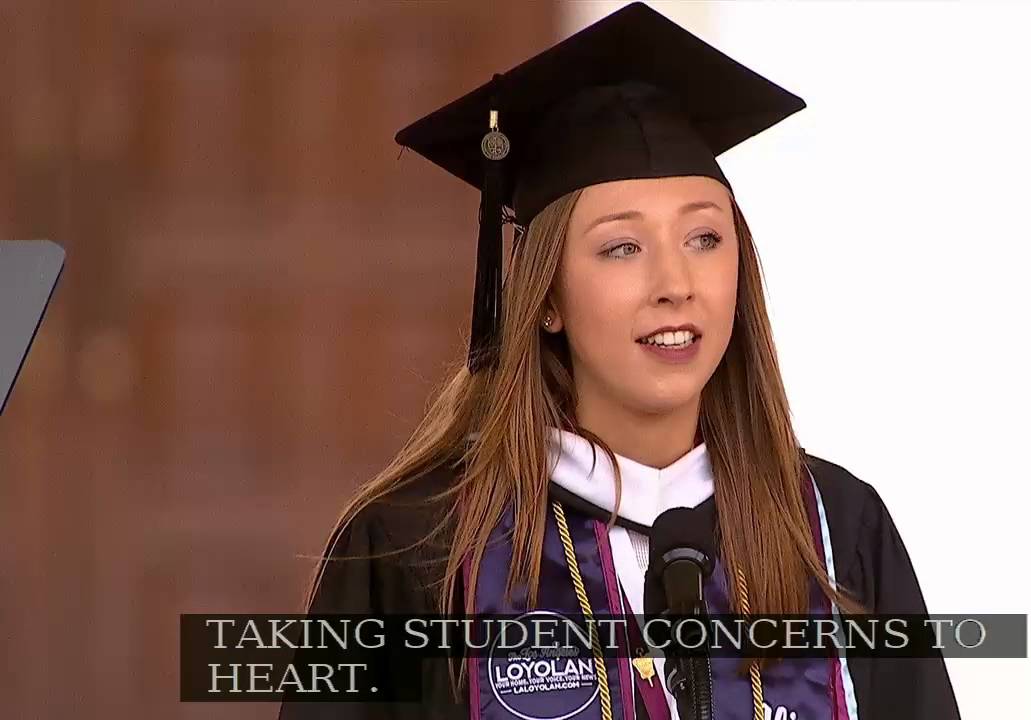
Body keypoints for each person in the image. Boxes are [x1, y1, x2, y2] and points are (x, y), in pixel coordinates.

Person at [279, 3, 961, 719]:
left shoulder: (834, 530)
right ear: (547, 297)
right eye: (622, 248)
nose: (675, 284)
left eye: (704, 238)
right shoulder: (418, 547)